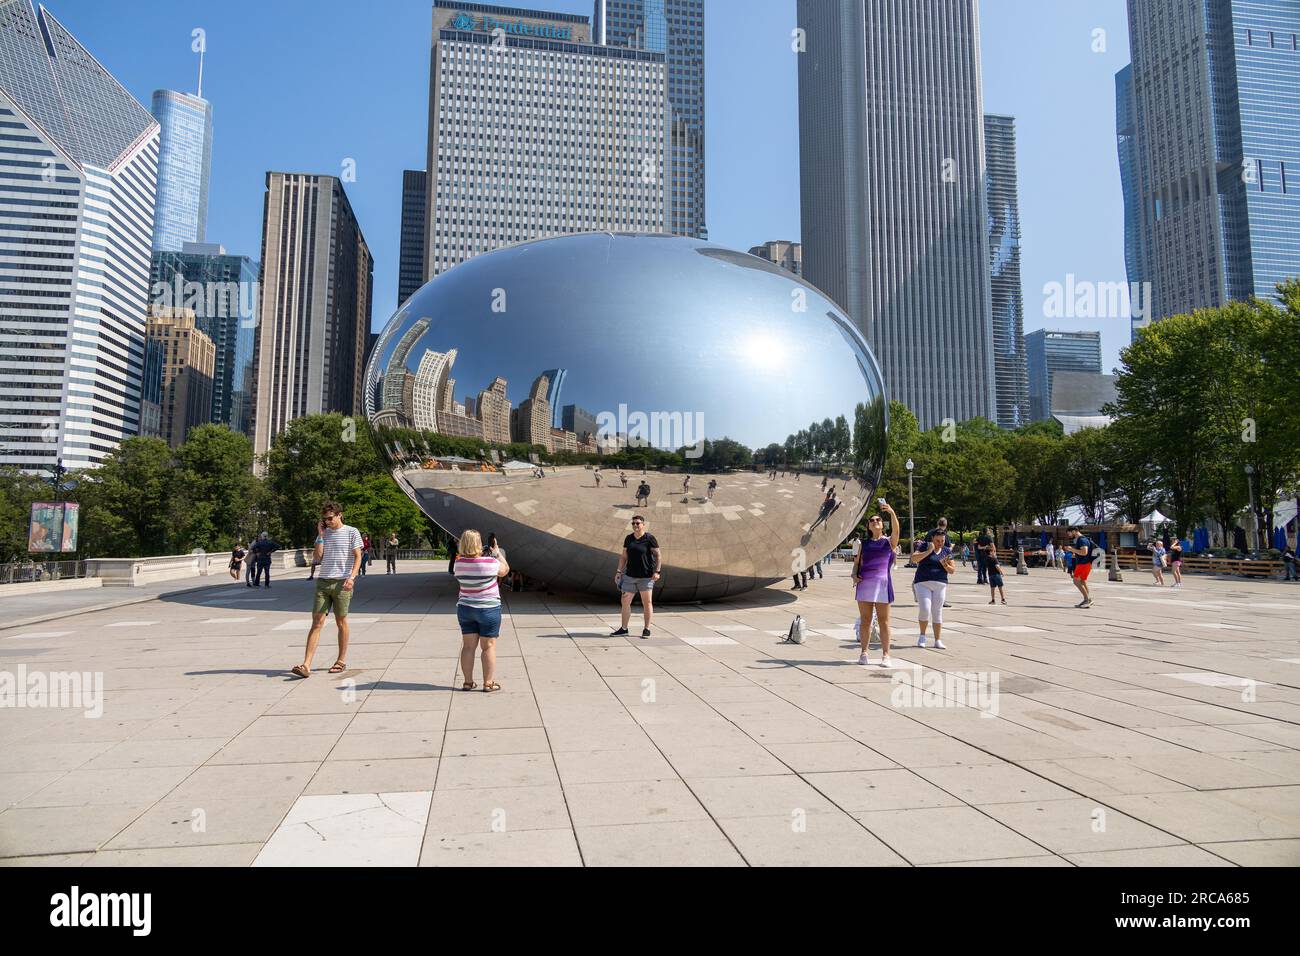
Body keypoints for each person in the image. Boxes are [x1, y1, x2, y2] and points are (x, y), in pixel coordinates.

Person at [290, 502, 363, 679]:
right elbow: (317, 557)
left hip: (342, 583)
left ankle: (340, 661)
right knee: (316, 622)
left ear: (339, 515)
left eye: (330, 518)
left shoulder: (352, 532)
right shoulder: (324, 534)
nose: (328, 522)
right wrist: (321, 535)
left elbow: (358, 557)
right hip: (323, 582)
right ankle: (306, 664)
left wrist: (351, 578)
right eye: (325, 519)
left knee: (341, 621)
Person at [452, 529, 510, 692]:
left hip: (465, 609)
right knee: (488, 646)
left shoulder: (458, 563)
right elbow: (505, 570)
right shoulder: (490, 563)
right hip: (488, 609)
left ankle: (468, 682)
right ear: (479, 544)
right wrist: (497, 553)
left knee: (468, 646)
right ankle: (488, 683)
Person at [853, 501, 899, 666]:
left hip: (883, 585)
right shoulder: (863, 544)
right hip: (865, 583)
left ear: (882, 524)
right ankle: (864, 653)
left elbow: (896, 531)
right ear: (869, 526)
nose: (875, 522)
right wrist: (854, 575)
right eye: (872, 520)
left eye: (878, 520)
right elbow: (858, 562)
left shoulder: (888, 542)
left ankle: (886, 655)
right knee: (865, 620)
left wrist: (892, 512)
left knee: (884, 621)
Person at [612, 516, 660, 638]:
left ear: (643, 524)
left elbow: (658, 555)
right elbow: (624, 557)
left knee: (647, 602)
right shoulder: (628, 538)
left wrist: (657, 571)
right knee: (625, 601)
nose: (635, 525)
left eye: (638, 523)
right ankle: (624, 629)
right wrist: (619, 572)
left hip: (646, 576)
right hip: (630, 576)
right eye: (633, 523)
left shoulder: (649, 538)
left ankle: (647, 629)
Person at [912, 529, 952, 650]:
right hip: (923, 583)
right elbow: (914, 559)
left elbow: (952, 570)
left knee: (937, 611)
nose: (940, 543)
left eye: (942, 541)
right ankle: (922, 636)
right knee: (925, 608)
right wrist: (929, 551)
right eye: (937, 540)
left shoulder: (946, 551)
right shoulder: (924, 546)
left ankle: (937, 640)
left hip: (940, 583)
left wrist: (945, 564)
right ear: (932, 539)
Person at [1066, 527, 1096, 608]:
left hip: (1083, 563)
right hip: (1087, 563)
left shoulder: (1081, 540)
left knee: (1076, 581)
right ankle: (1087, 600)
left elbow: (1084, 552)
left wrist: (1072, 549)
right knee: (1082, 581)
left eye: (1069, 533)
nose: (1069, 535)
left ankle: (1087, 599)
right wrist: (1074, 552)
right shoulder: (1084, 539)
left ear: (1074, 531)